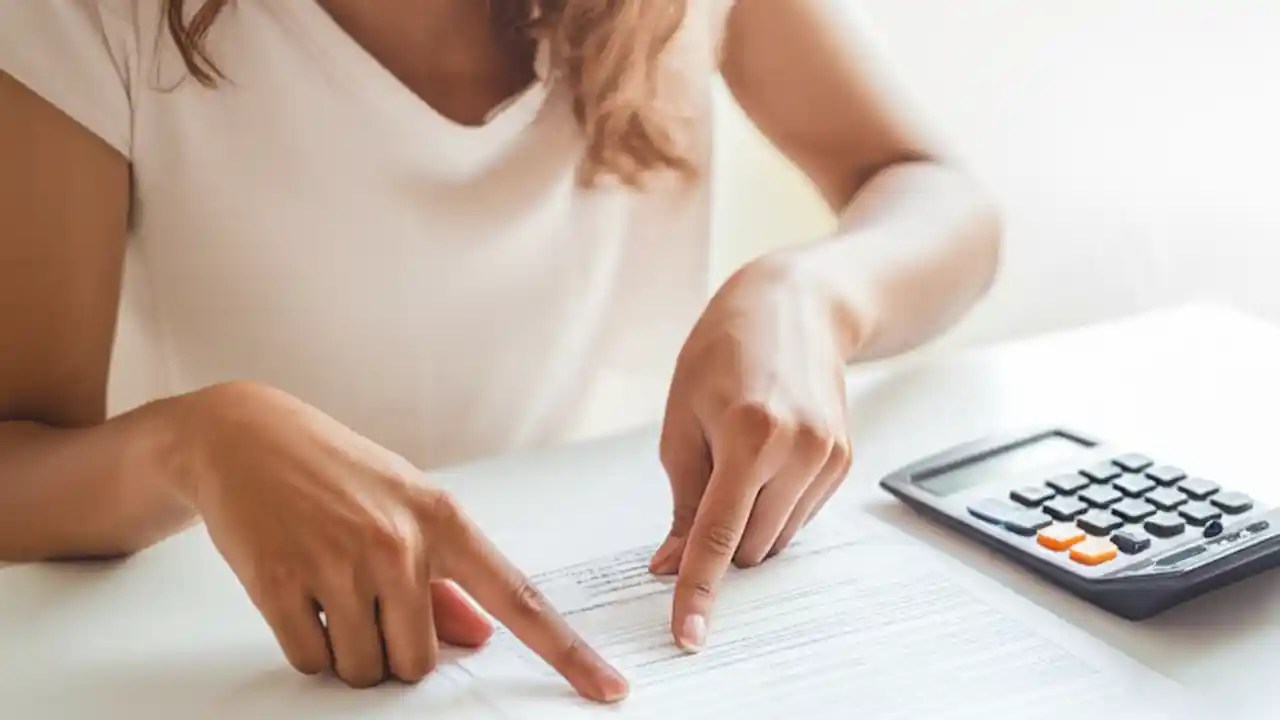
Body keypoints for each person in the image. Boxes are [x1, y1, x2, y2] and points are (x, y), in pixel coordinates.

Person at [0, 0, 1000, 704]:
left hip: (607, 605)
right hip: (231, 650)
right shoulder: (86, 18)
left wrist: (813, 296)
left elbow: (938, 193)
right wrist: (197, 441)